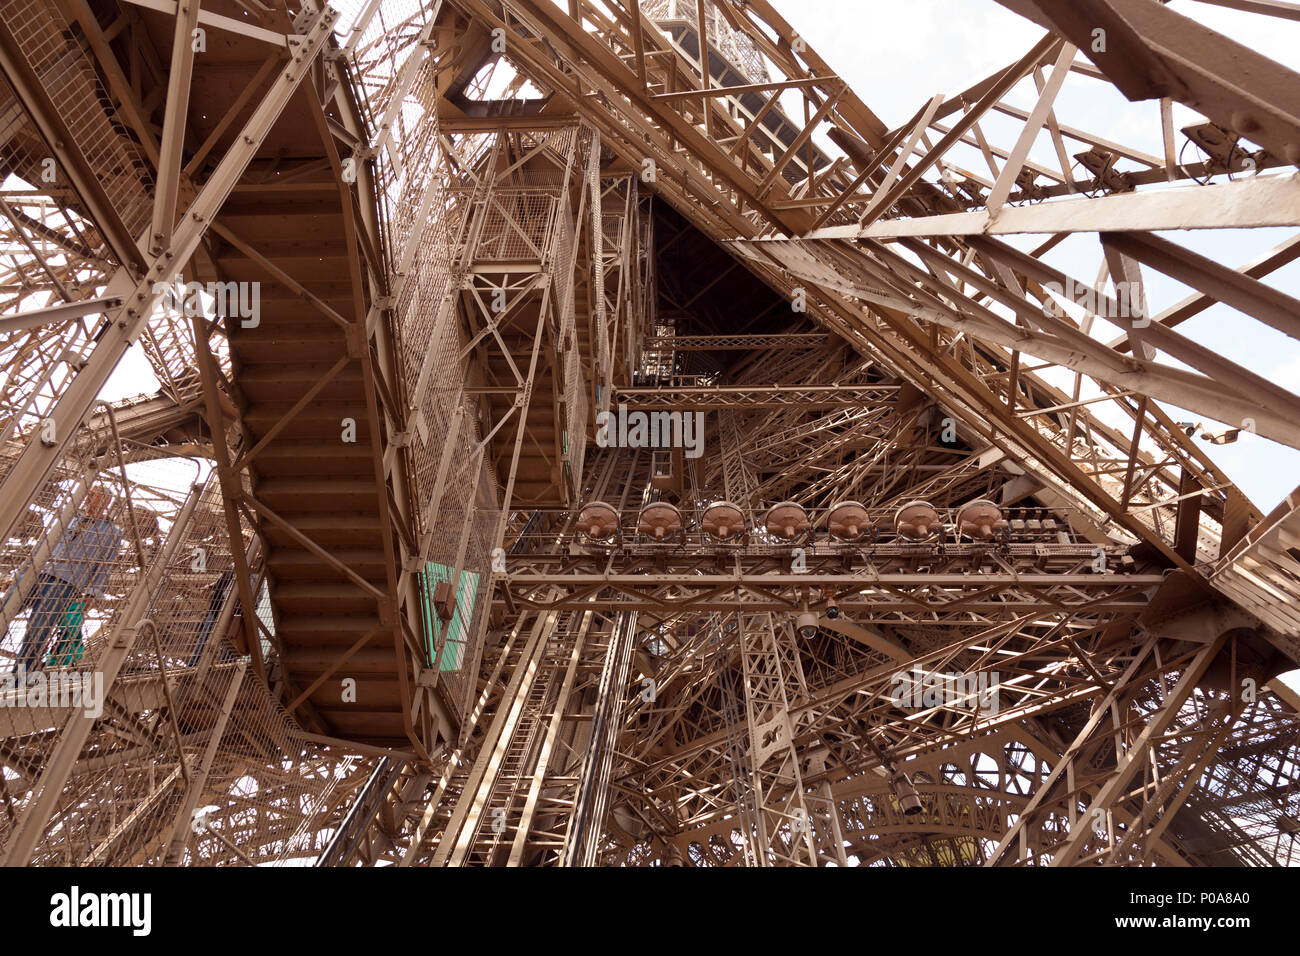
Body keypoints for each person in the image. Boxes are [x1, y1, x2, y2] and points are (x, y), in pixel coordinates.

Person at [14, 487, 123, 674]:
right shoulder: (69, 517)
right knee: (4, 609)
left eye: (93, 495)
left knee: (37, 631)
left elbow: (105, 564)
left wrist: (92, 593)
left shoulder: (112, 531)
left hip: (65, 582)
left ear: (105, 502)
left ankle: (17, 680)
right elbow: (42, 545)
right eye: (88, 493)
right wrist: (18, 574)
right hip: (36, 572)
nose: (88, 497)